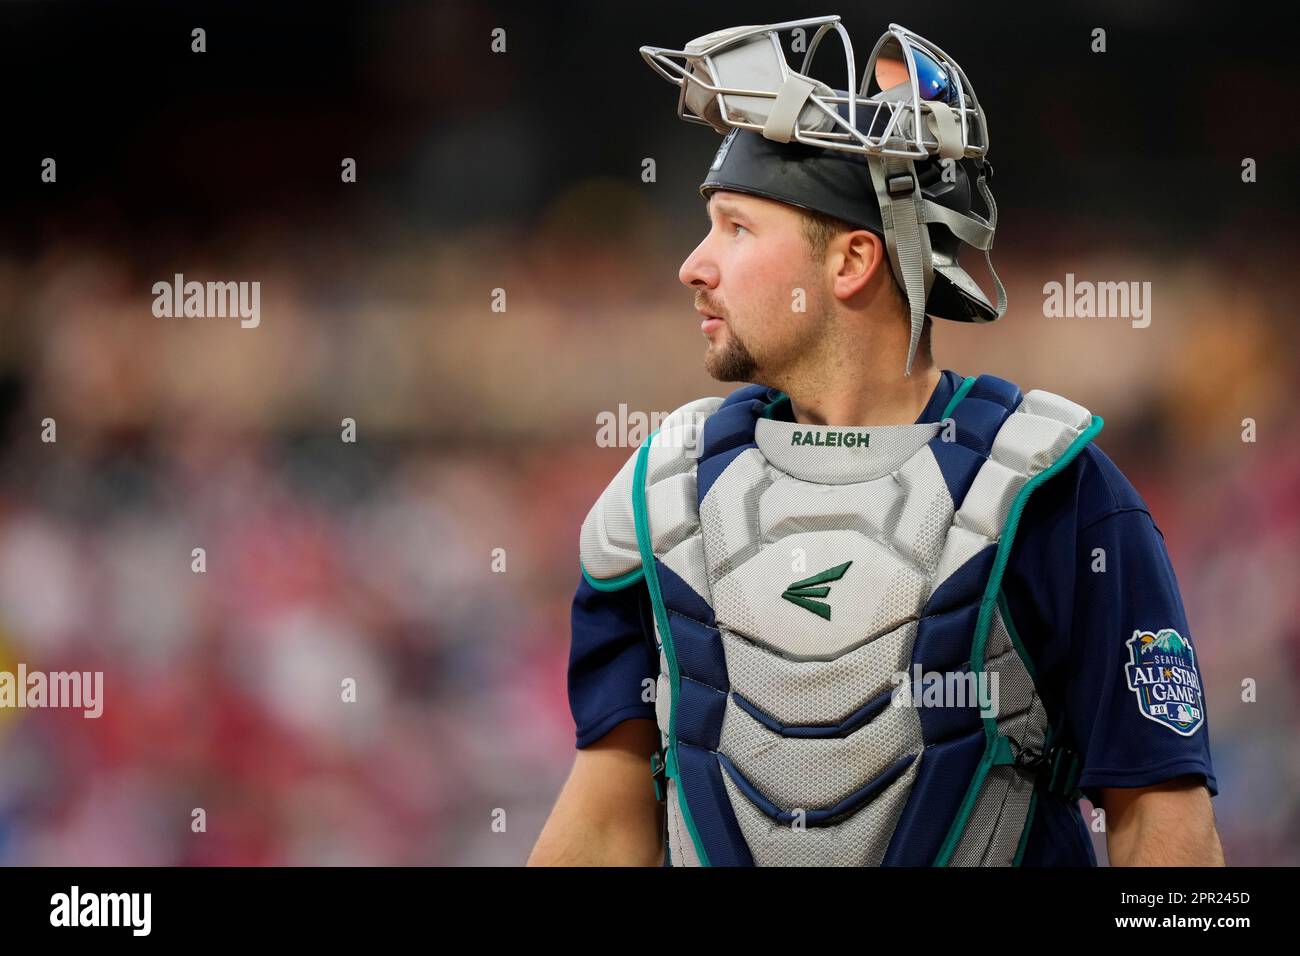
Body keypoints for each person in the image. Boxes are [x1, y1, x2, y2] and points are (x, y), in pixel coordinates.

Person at [529, 17, 1222, 866]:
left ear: (852, 261)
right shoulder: (659, 498)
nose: (693, 265)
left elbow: (1164, 824)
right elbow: (605, 820)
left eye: (736, 228)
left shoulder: (1056, 493)